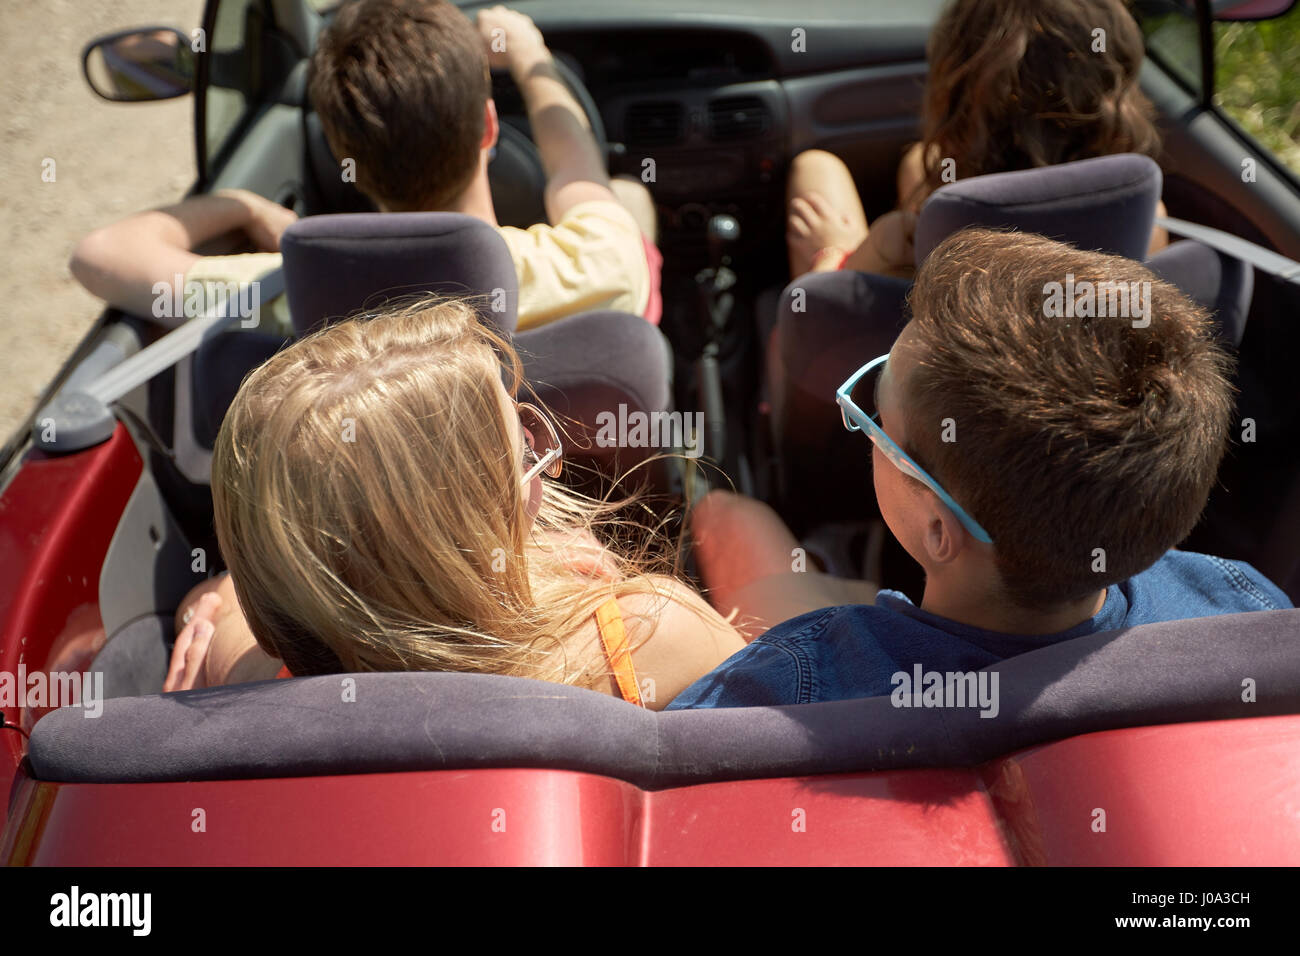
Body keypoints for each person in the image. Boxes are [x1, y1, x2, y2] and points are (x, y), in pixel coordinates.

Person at [669, 229, 1291, 708]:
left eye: (876, 416)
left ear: (941, 531)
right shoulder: (1239, 603)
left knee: (728, 514)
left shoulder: (791, 682)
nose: (869, 429)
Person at [162, 297, 747, 710]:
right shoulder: (649, 637)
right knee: (738, 518)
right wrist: (602, 588)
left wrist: (207, 602)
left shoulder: (259, 681)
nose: (547, 454)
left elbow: (221, 614)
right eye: (521, 445)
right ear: (459, 532)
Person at [70, 1, 660, 335]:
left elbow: (98, 256)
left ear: (341, 157)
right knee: (627, 199)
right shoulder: (597, 266)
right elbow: (574, 170)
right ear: (487, 125)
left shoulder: (300, 295)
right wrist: (531, 58)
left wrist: (241, 205)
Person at [785, 0, 1168, 281]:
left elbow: (820, 318)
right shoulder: (1147, 219)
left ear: (955, 102)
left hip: (898, 362)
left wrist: (831, 251)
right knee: (919, 162)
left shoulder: (900, 241)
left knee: (816, 167)